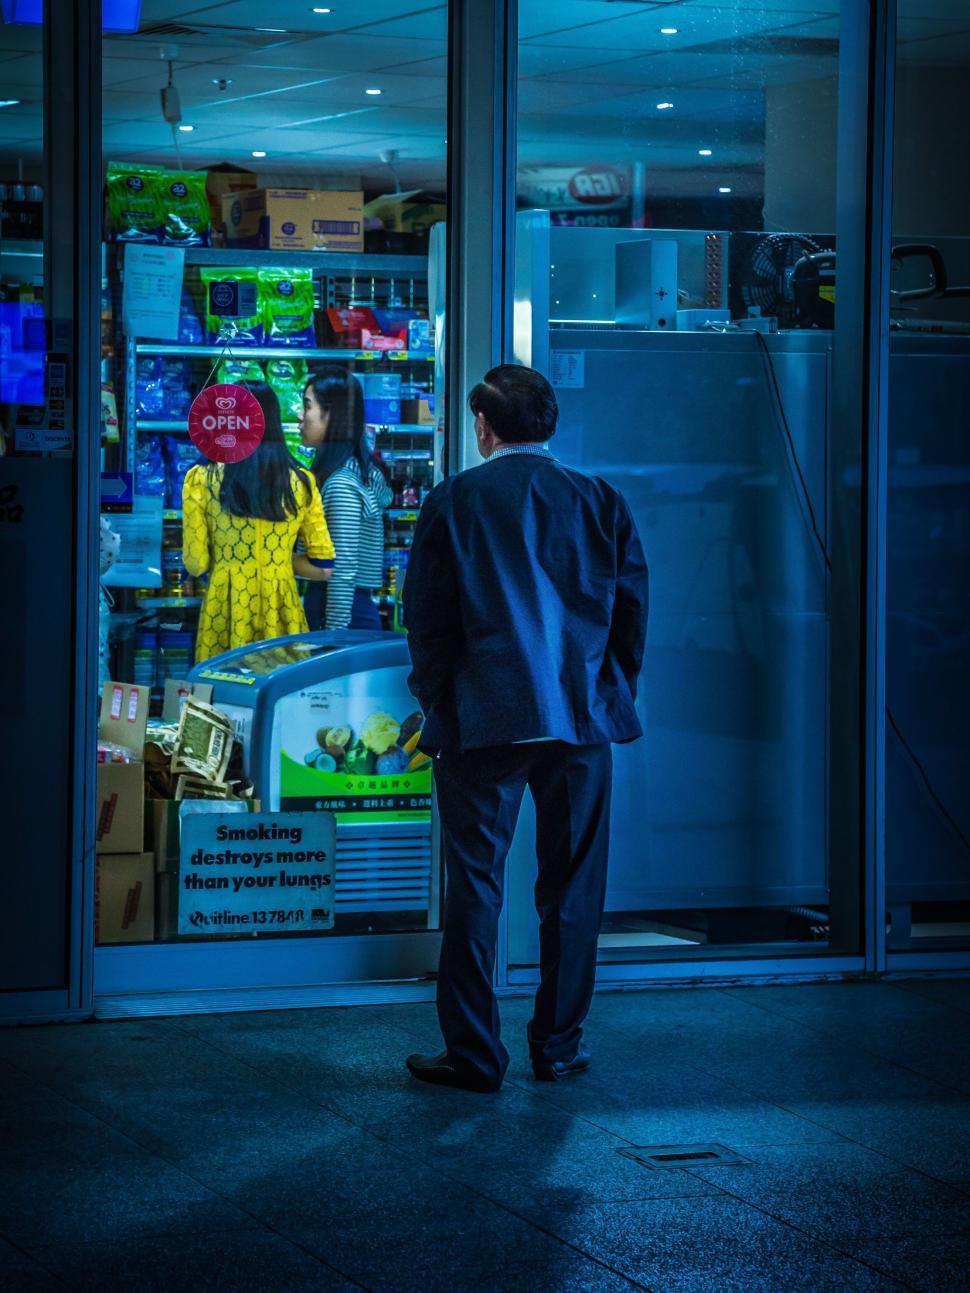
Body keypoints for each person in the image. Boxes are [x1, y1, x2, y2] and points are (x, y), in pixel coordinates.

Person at [401, 364, 649, 1093]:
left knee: (476, 887)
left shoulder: (455, 500)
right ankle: (560, 1045)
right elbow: (631, 613)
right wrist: (608, 693)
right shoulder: (600, 499)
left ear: (483, 426)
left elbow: (429, 622)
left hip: (484, 721)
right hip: (580, 721)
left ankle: (476, 1055)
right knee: (573, 890)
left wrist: (439, 704)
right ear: (548, 424)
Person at [182, 382, 335, 664]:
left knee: (223, 694)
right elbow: (323, 564)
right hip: (282, 606)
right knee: (281, 694)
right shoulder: (302, 482)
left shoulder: (201, 479)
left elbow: (196, 563)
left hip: (226, 604)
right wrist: (273, 561)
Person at [298, 367, 393, 631]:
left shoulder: (341, 484)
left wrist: (336, 634)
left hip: (340, 611)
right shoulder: (356, 474)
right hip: (345, 607)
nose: (300, 415)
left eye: (307, 406)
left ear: (333, 416)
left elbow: (342, 566)